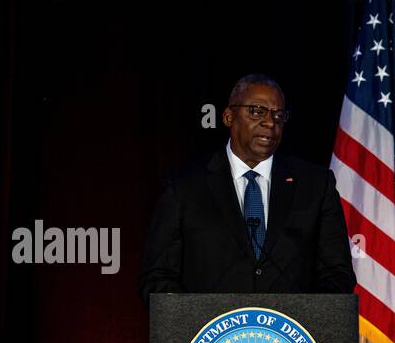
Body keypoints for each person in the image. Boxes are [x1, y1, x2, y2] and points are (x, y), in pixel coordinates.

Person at [139, 74, 356, 305]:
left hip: (289, 337)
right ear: (228, 116)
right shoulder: (184, 187)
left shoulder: (316, 185)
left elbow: (337, 274)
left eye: (278, 115)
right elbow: (158, 277)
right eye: (256, 111)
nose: (270, 123)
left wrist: (302, 320)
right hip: (213, 337)